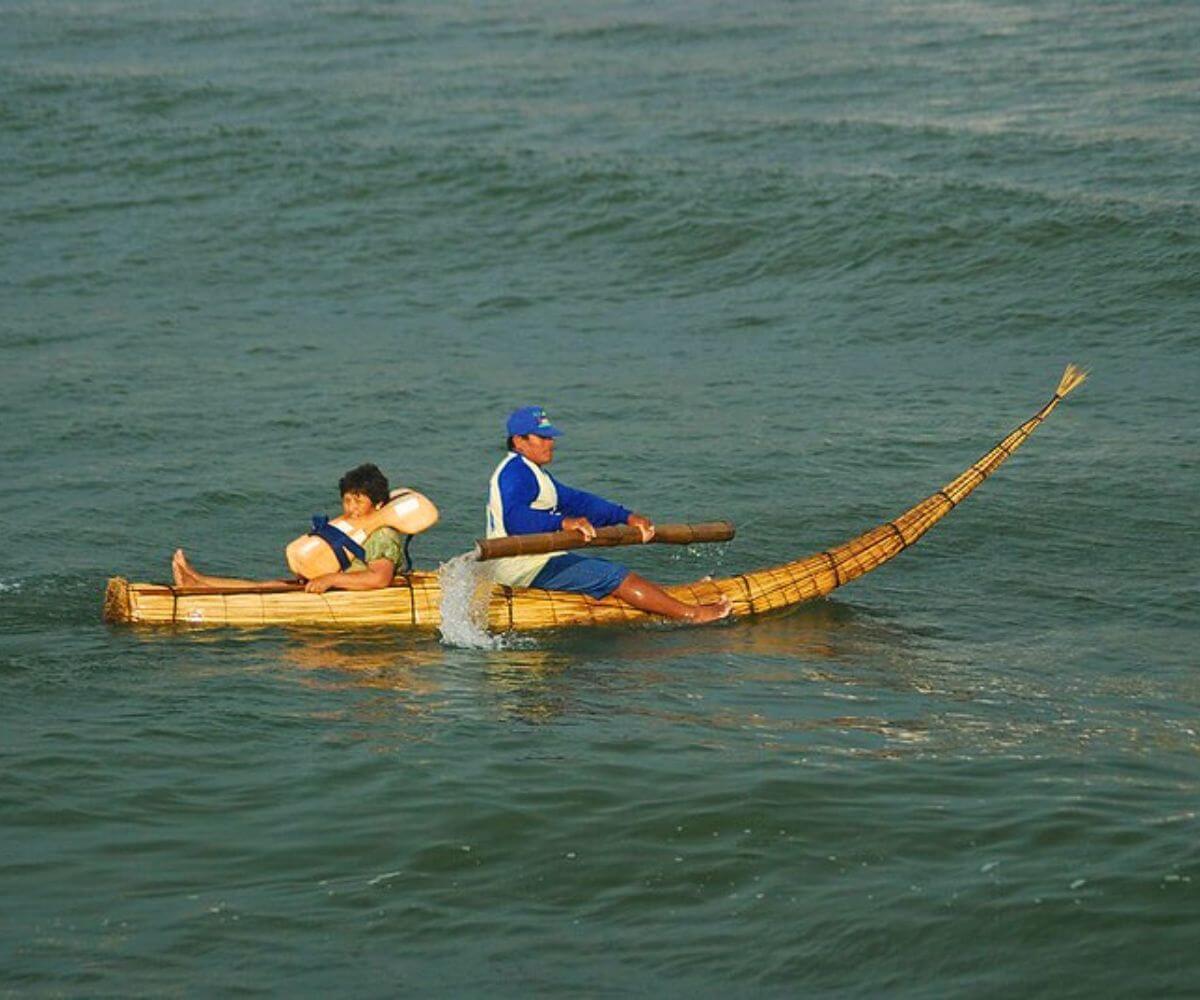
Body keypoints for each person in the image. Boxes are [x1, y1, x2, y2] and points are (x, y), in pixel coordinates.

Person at [486, 406, 731, 623]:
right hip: (520, 566)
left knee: (606, 570)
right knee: (616, 576)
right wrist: (563, 522)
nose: (550, 443)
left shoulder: (534, 472)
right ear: (519, 441)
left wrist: (626, 517)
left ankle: (669, 600)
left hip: (538, 559)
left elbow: (580, 501)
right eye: (542, 437)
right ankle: (693, 614)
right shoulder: (515, 472)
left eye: (550, 437)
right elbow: (515, 519)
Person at [172, 463, 436, 594]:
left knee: (268, 590)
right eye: (347, 499)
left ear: (378, 504)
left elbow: (379, 579)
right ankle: (199, 581)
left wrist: (330, 579)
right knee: (264, 585)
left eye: (359, 500)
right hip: (331, 585)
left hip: (344, 591)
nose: (351, 507)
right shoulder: (350, 525)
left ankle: (198, 586)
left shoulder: (383, 535)